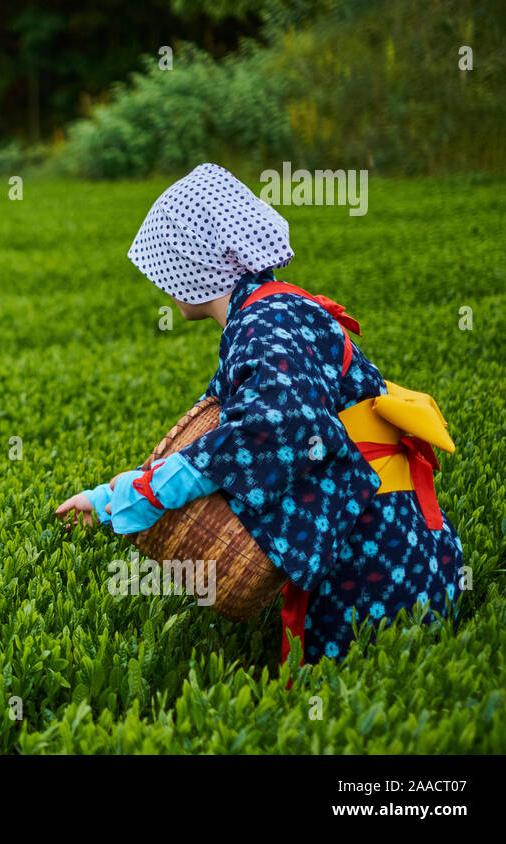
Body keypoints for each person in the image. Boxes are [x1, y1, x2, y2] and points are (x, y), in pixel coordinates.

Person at [53, 163, 463, 666]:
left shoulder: (265, 323)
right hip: (376, 529)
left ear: (194, 266)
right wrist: (107, 500)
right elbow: (218, 442)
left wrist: (147, 493)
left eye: (165, 267)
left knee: (350, 692)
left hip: (374, 550)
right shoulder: (270, 311)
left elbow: (269, 428)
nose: (162, 284)